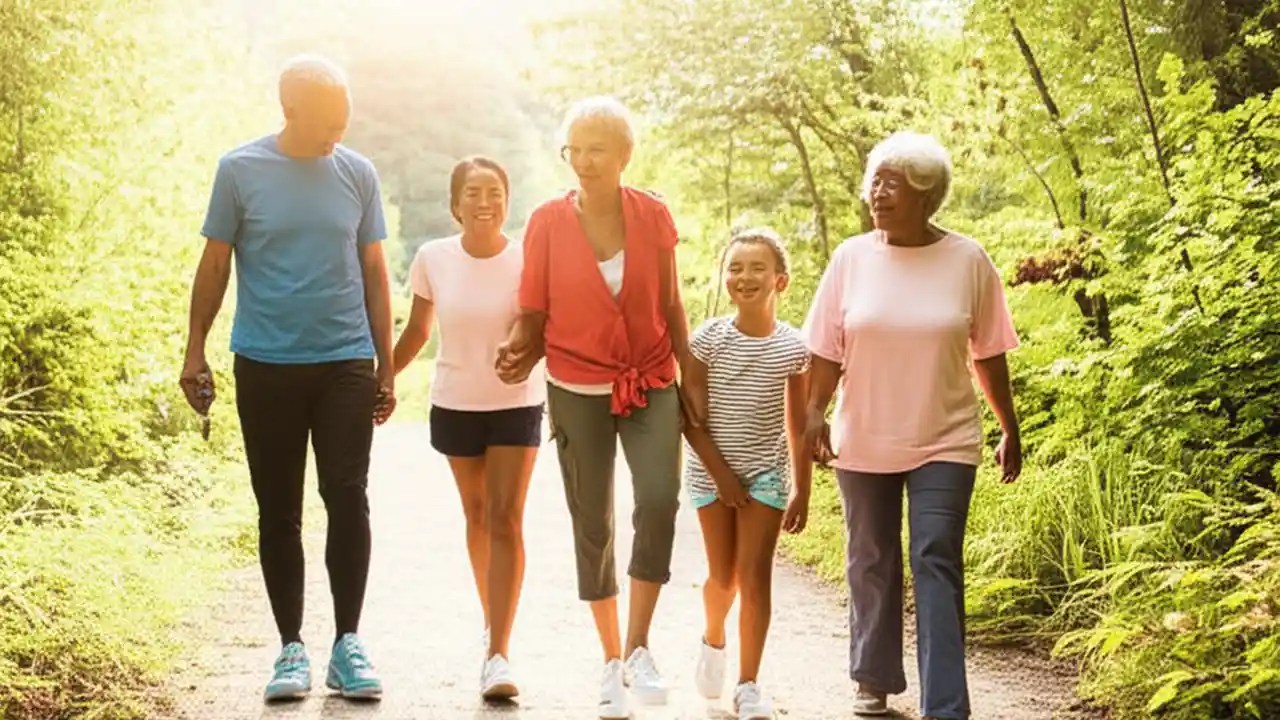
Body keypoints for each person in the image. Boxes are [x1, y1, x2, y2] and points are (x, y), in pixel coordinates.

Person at [179, 54, 394, 703]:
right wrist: (196, 351)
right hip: (266, 364)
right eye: (327, 121)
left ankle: (348, 644)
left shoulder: (357, 172)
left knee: (347, 495)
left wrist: (386, 363)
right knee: (279, 508)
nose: (337, 133)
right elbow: (215, 264)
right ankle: (291, 648)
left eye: (344, 120)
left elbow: (376, 272)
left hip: (345, 363)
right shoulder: (240, 170)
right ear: (290, 109)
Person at [494, 96, 703, 719]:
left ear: (624, 155)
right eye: (575, 149)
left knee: (660, 499)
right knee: (593, 521)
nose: (583, 161)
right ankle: (611, 661)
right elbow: (533, 310)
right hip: (576, 383)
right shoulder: (547, 222)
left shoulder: (653, 215)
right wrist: (516, 349)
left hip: (650, 379)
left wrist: (689, 369)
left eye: (596, 150)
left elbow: (670, 301)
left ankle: (640, 646)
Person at [801, 131, 1023, 720]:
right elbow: (824, 349)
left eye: (891, 183)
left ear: (926, 196)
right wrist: (813, 412)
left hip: (945, 438)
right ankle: (873, 678)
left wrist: (1009, 427)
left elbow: (989, 350)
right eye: (874, 181)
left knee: (935, 557)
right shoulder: (851, 258)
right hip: (865, 435)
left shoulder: (968, 259)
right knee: (870, 557)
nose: (876, 192)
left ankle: (946, 704)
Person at [390, 156, 544, 701]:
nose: (485, 202)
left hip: (515, 400)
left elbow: (541, 321)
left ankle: (499, 650)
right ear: (454, 205)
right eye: (473, 193)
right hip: (455, 401)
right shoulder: (434, 258)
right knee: (477, 516)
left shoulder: (529, 258)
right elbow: (417, 331)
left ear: (508, 199)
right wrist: (382, 378)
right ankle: (491, 619)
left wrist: (526, 347)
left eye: (495, 192)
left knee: (505, 517)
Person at [682, 228, 812, 719]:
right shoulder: (707, 339)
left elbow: (798, 425)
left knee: (754, 575)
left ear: (781, 280)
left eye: (757, 268)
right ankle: (713, 639)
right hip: (709, 471)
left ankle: (749, 684)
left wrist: (803, 488)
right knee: (723, 576)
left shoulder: (794, 347)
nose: (745, 277)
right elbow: (689, 421)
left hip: (766, 474)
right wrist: (721, 475)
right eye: (735, 267)